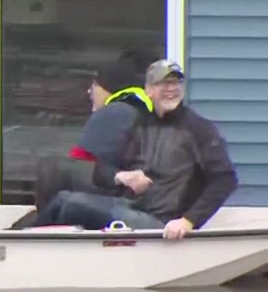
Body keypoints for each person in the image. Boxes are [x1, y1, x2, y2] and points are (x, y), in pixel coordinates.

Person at [34, 59, 238, 239]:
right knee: (61, 197)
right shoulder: (141, 124)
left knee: (70, 204)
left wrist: (187, 221)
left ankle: (17, 247)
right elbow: (105, 172)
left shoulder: (199, 129)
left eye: (175, 83)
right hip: (131, 207)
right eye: (163, 83)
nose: (171, 89)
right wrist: (121, 177)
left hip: (161, 222)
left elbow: (225, 180)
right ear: (149, 90)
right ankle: (16, 240)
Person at [9, 50, 157, 229]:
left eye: (94, 85)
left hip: (118, 201)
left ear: (109, 88)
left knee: (52, 168)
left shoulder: (116, 112)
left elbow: (85, 168)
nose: (89, 91)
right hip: (137, 201)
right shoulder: (142, 112)